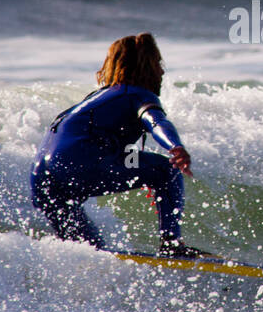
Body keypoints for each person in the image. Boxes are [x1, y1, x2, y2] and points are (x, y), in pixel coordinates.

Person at [30, 32, 198, 257]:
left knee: (90, 252)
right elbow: (156, 120)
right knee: (167, 170)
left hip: (42, 181)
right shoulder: (136, 94)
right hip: (81, 162)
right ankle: (171, 245)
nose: (162, 71)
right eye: (158, 63)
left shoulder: (98, 99)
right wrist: (174, 146)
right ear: (146, 66)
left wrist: (142, 173)